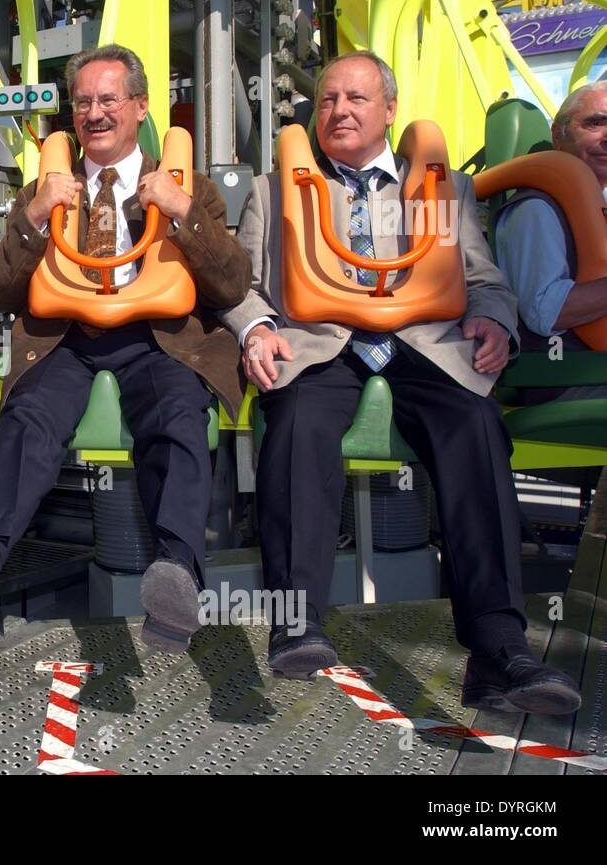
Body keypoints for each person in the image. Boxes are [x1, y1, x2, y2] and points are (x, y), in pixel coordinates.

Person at [224, 51, 579, 713]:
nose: (340, 111)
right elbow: (241, 287)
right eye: (328, 100)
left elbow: (485, 282)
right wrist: (257, 329)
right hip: (322, 342)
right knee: (298, 423)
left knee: (475, 426)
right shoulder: (276, 193)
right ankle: (297, 620)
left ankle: (500, 650)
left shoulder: (444, 191)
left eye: (357, 99)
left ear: (389, 110)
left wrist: (495, 322)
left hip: (421, 344)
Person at [0, 44, 250, 652]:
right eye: (83, 102)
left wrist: (183, 211)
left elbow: (232, 282)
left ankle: (177, 577)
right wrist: (32, 217)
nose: (95, 113)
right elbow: (2, 294)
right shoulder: (44, 190)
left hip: (158, 338)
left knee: (179, 413)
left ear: (139, 107)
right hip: (67, 339)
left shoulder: (192, 186)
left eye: (109, 99)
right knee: (26, 424)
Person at [494, 82, 607, 400]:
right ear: (558, 134)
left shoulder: (597, 209)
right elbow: (547, 312)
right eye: (595, 122)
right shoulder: (536, 208)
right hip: (558, 379)